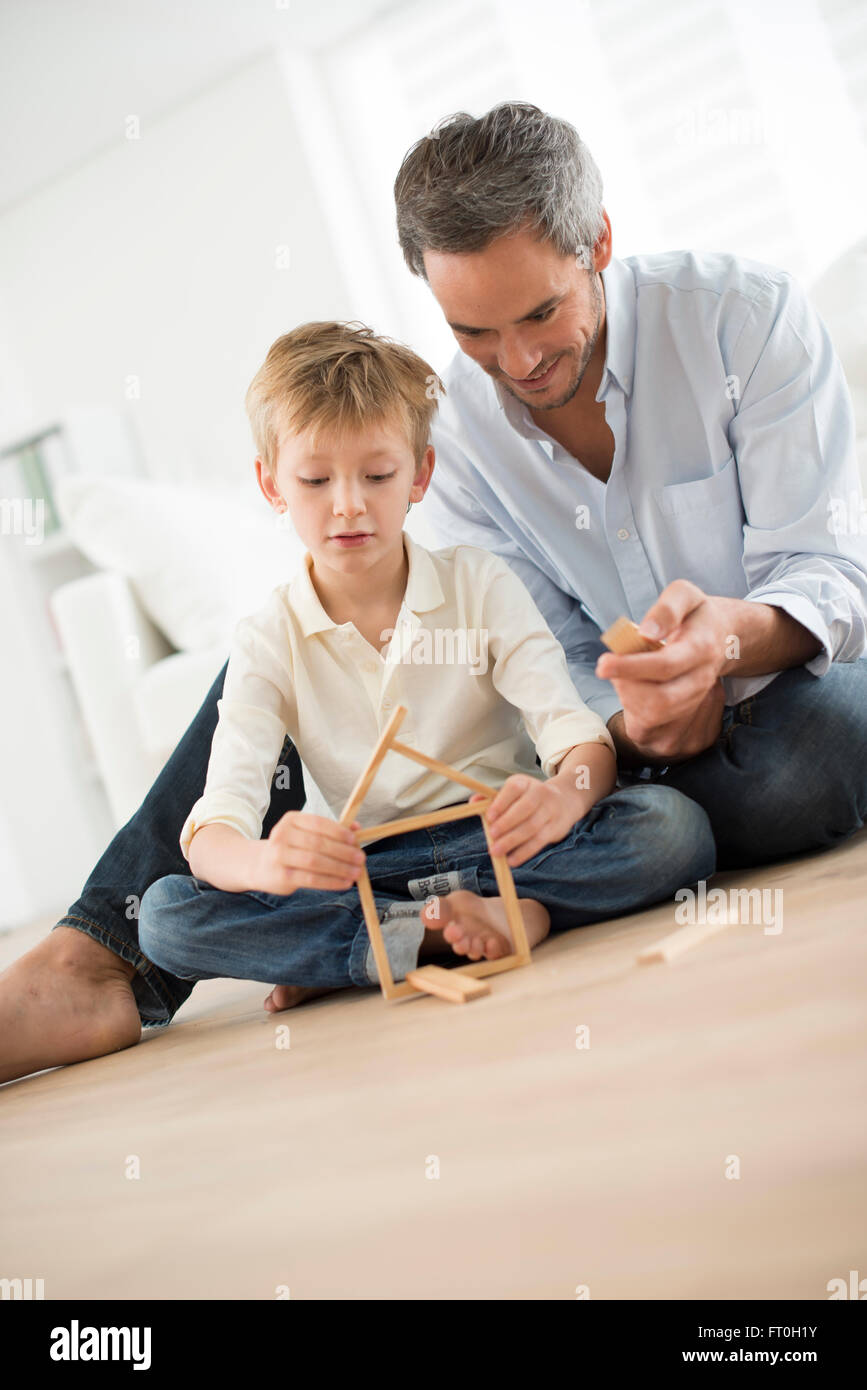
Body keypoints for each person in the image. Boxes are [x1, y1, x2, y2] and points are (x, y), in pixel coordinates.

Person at [2, 99, 864, 1083]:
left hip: (753, 715)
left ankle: (450, 916)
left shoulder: (742, 318)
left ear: (600, 244)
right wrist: (610, 727)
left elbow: (831, 573)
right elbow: (540, 658)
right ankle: (104, 958)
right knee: (289, 643)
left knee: (824, 747)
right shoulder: (448, 438)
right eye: (475, 332)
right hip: (577, 763)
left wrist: (716, 649)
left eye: (542, 313)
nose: (522, 361)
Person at [132, 321, 712, 1003]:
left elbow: (575, 736)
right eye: (315, 479)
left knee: (672, 829)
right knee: (167, 917)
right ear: (271, 486)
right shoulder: (267, 636)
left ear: (420, 474)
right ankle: (436, 933)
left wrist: (561, 797)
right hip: (371, 870)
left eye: (377, 475)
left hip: (504, 845)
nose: (348, 504)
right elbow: (214, 828)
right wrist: (268, 860)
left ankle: (363, 949)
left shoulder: (480, 583)